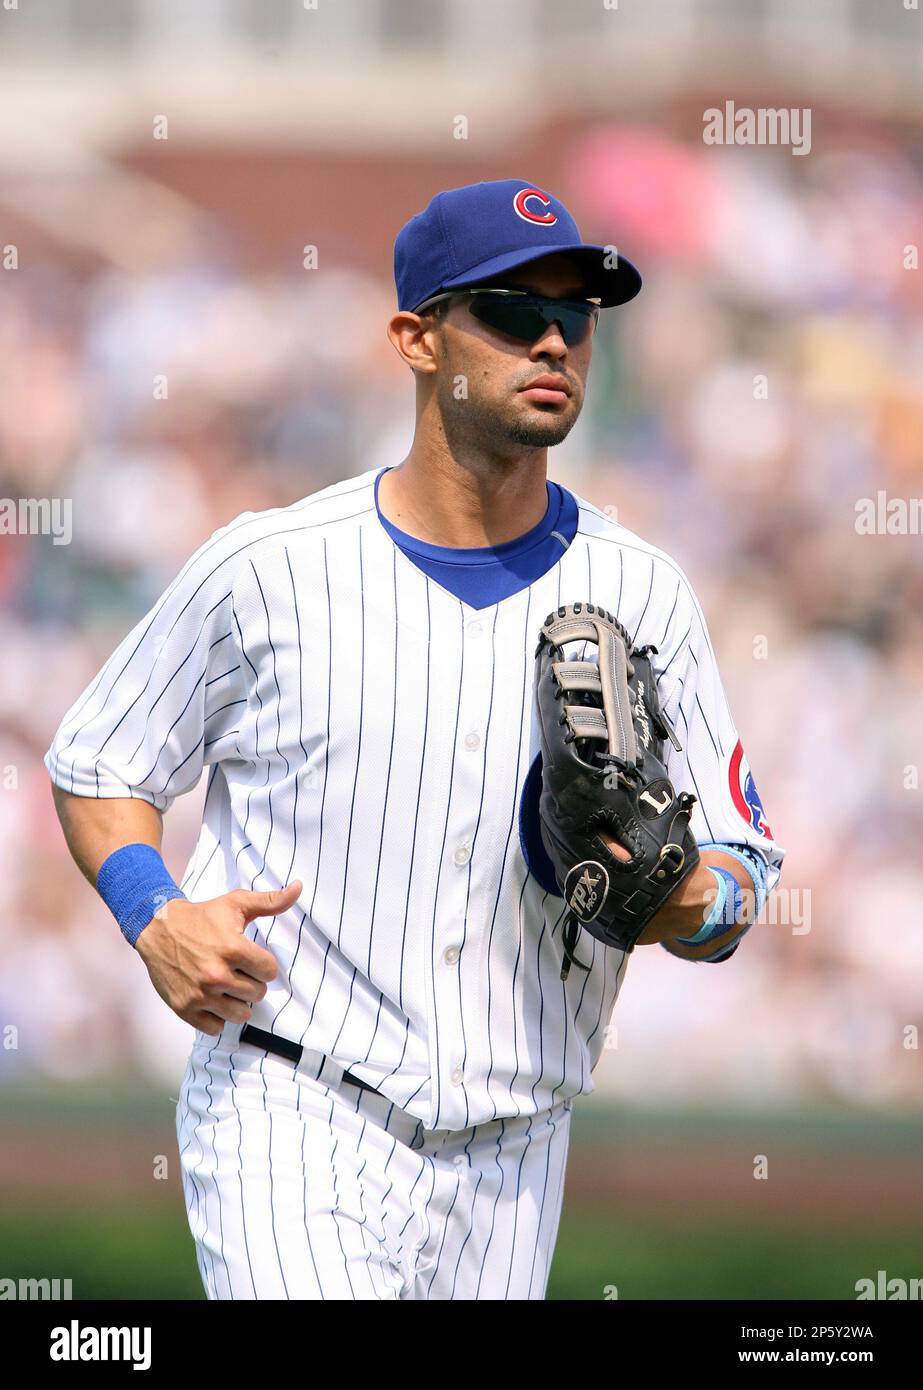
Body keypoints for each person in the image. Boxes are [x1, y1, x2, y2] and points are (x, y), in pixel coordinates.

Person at [45, 179, 784, 1300]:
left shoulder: (643, 591)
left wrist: (686, 896)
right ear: (415, 337)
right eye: (508, 308)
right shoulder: (271, 568)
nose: (551, 338)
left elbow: (744, 873)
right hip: (295, 1110)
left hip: (517, 1151)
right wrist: (156, 914)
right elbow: (100, 762)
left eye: (576, 314)